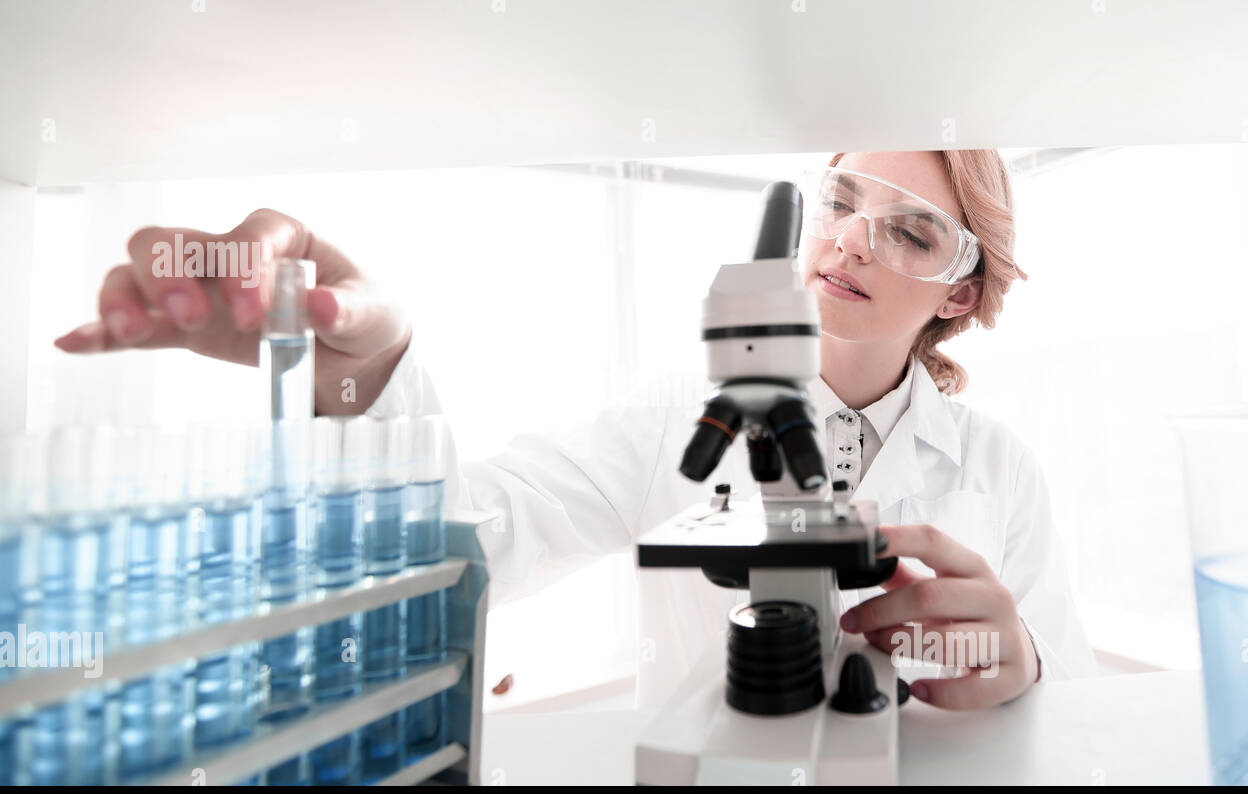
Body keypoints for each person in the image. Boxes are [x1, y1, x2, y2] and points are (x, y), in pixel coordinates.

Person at [53, 150, 1098, 711]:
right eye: (839, 200)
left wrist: (1024, 673)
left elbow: (1080, 705)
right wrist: (366, 376)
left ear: (959, 293)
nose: (851, 242)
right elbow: (473, 534)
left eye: (912, 230)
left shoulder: (999, 468)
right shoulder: (674, 419)